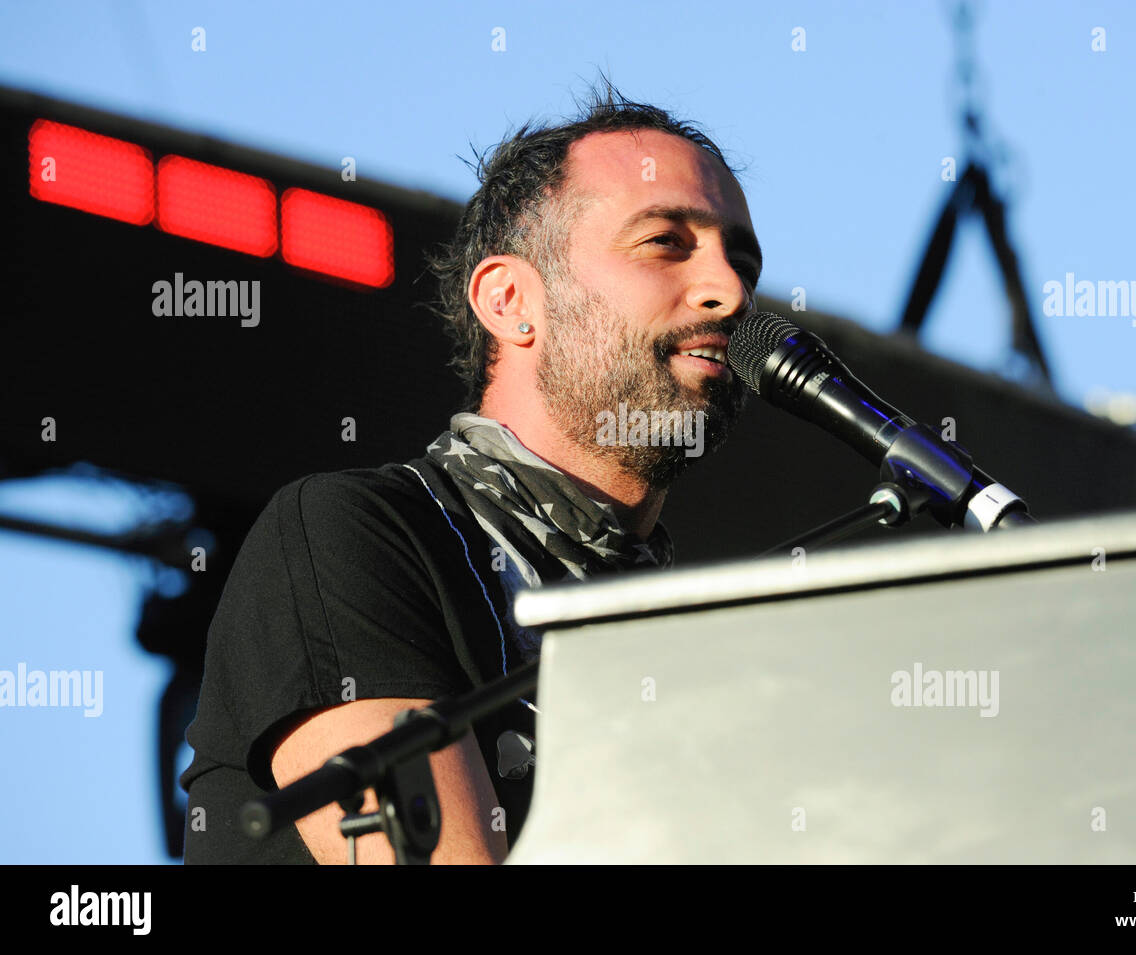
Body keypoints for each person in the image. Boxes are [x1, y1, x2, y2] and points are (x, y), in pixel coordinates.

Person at [179, 76, 762, 864]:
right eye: (665, 241)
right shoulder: (356, 533)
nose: (729, 289)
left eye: (743, 261)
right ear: (512, 299)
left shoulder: (695, 647)